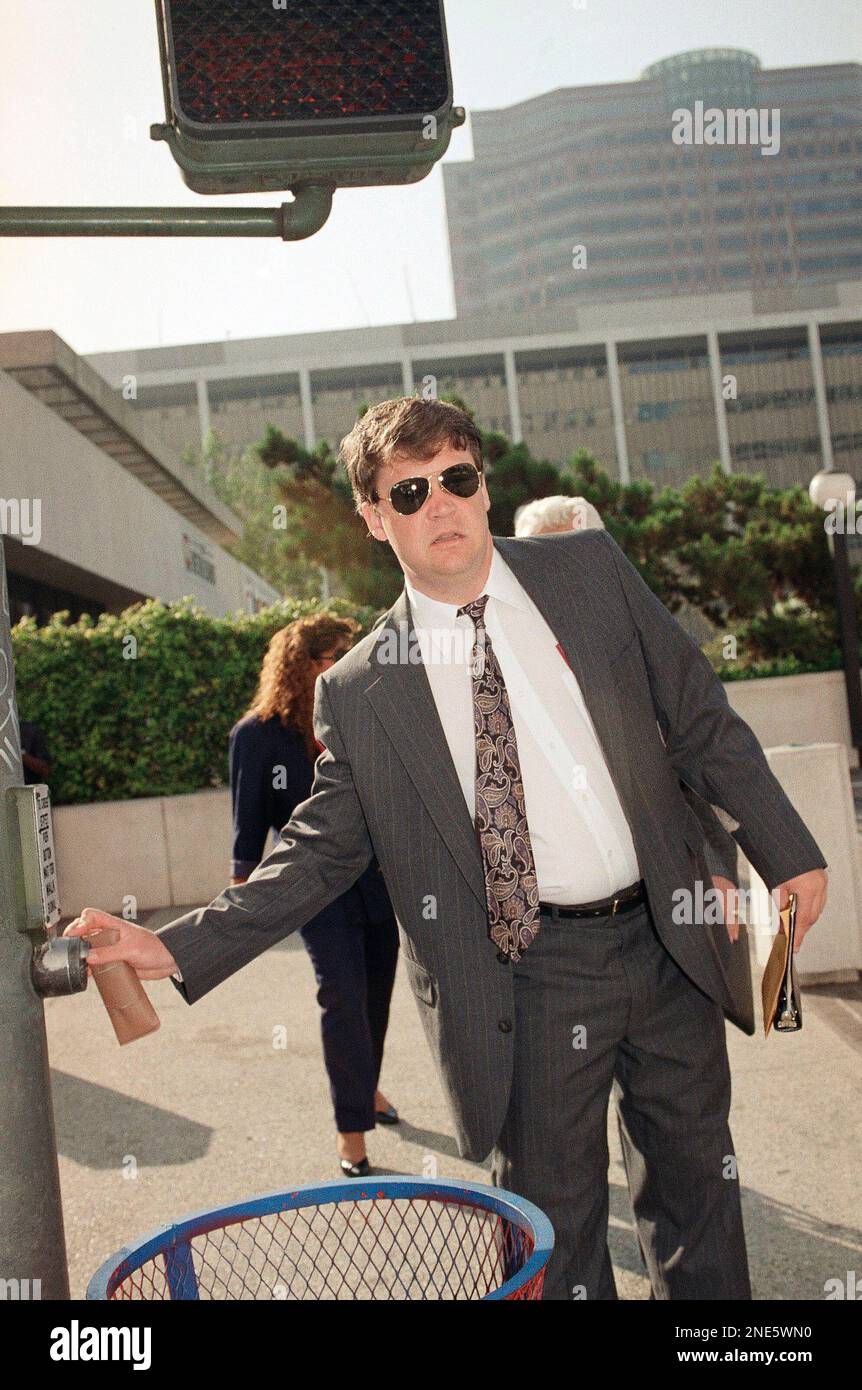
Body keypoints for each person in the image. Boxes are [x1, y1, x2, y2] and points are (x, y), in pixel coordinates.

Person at [67, 397, 828, 1301]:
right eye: (411, 489)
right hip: (526, 979)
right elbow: (315, 850)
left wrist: (789, 851)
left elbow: (697, 714)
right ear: (374, 518)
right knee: (558, 1233)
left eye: (458, 479)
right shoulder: (360, 689)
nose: (442, 504)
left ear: (484, 484)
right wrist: (176, 942)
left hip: (669, 941)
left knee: (701, 1197)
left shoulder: (589, 571)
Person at [513, 493, 744, 938]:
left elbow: (698, 768)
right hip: (554, 931)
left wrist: (717, 874)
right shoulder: (500, 659)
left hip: (668, 901)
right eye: (536, 560)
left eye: (568, 558)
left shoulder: (640, 647)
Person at [230, 615, 400, 1178]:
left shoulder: (354, 716)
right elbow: (249, 819)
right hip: (315, 889)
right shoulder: (257, 735)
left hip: (376, 881)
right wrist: (241, 891)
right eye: (333, 655)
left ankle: (366, 1087)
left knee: (376, 995)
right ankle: (351, 1133)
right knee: (343, 998)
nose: (344, 663)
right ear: (302, 665)